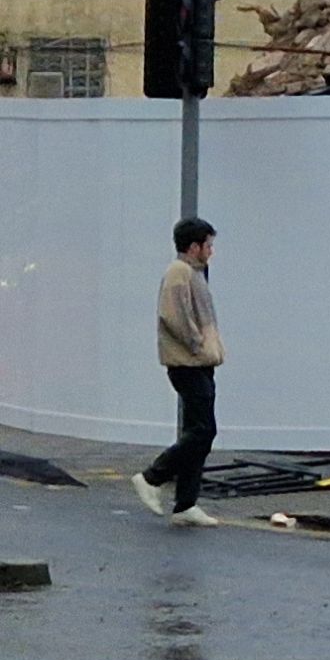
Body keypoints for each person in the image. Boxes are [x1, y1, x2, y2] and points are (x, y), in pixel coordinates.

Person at [131, 217, 223, 527]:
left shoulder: (192, 273)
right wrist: (197, 344)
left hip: (198, 362)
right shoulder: (178, 273)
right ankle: (151, 477)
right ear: (194, 246)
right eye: (208, 245)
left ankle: (186, 504)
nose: (211, 251)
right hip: (188, 363)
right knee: (202, 431)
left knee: (199, 431)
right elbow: (173, 316)